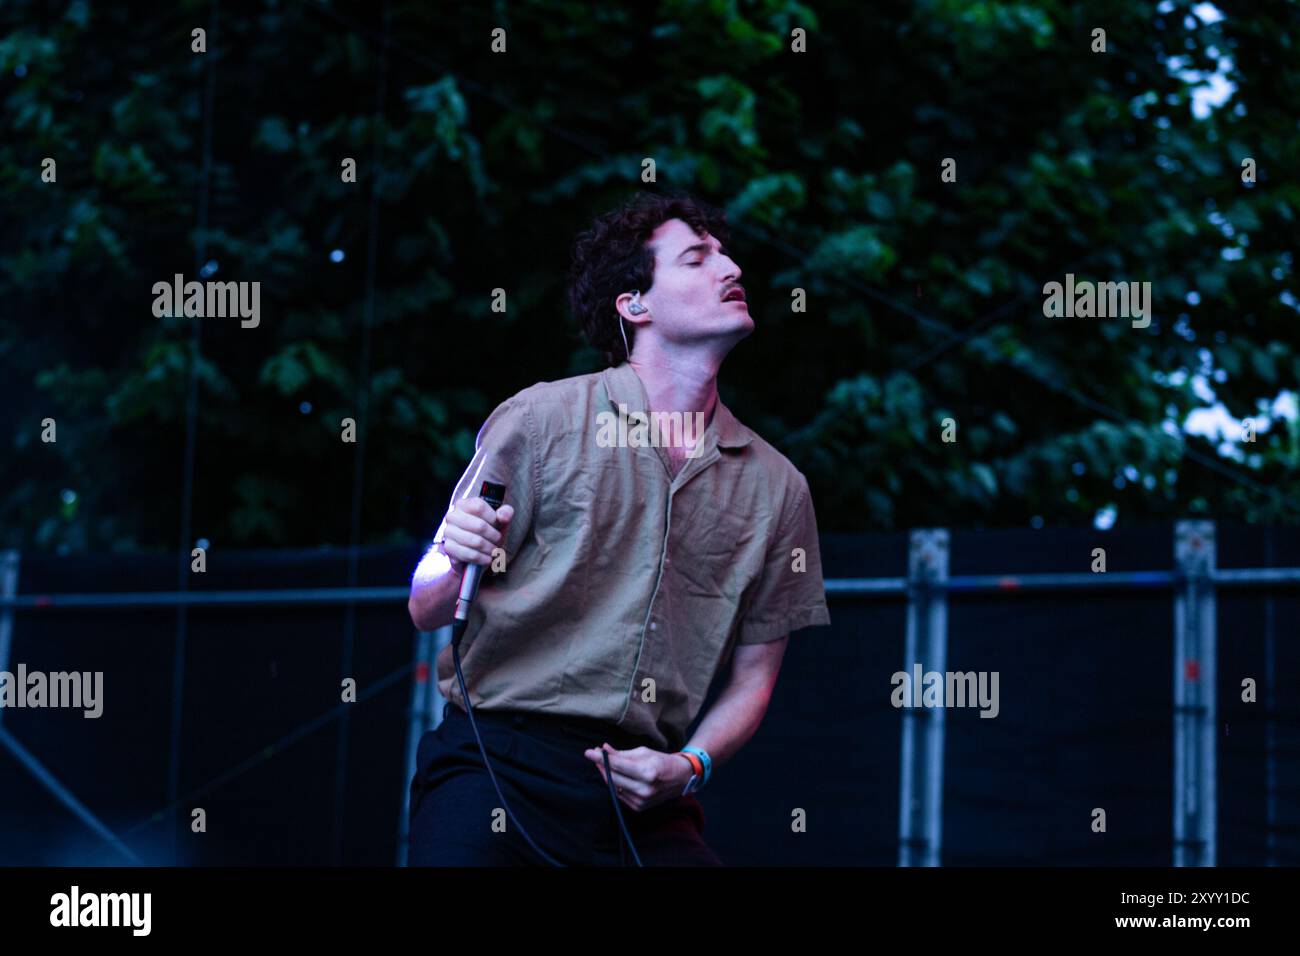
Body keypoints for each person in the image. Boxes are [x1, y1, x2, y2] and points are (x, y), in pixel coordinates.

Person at [406, 191, 831, 866]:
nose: (730, 268)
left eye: (725, 254)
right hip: (499, 760)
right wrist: (447, 558)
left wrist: (690, 765)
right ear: (634, 305)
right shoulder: (540, 420)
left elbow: (755, 680)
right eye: (696, 258)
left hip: (642, 790)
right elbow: (427, 606)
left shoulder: (778, 487)